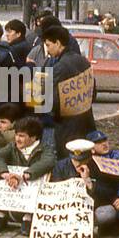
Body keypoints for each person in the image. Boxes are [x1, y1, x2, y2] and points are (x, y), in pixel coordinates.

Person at [51, 139, 119, 237]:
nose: (78, 164)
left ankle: (89, 226)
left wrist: (90, 183)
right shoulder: (60, 166)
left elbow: (110, 193)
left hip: (94, 208)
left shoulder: (99, 166)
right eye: (75, 160)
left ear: (89, 157)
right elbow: (56, 190)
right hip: (70, 208)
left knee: (108, 212)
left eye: (82, 160)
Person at [0, 115, 57, 234]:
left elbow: (48, 161)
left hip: (32, 189)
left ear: (33, 137)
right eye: (16, 135)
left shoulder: (45, 149)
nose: (17, 139)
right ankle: (1, 215)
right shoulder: (12, 147)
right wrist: (6, 174)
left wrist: (25, 175)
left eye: (22, 136)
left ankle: (27, 219)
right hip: (12, 186)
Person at [42, 24, 95, 155]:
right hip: (86, 121)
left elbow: (51, 102)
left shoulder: (59, 67)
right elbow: (93, 92)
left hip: (66, 126)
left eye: (48, 45)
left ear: (58, 43)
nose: (47, 50)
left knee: (68, 160)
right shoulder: (83, 61)